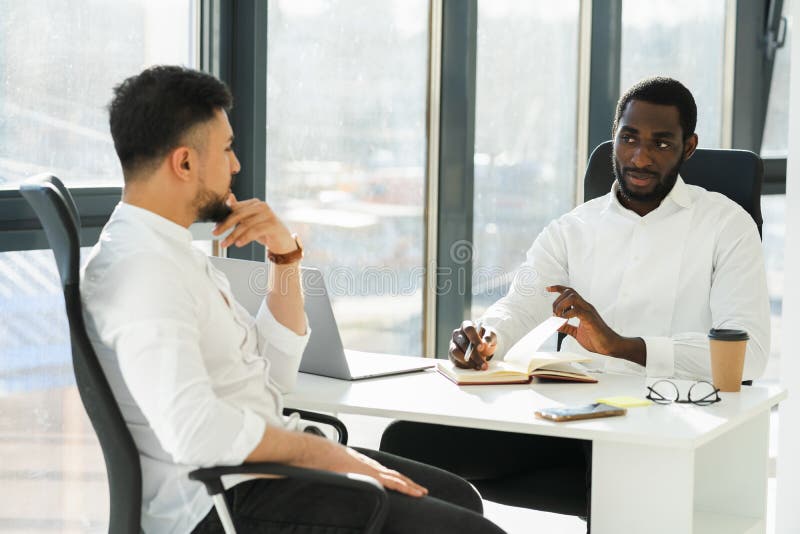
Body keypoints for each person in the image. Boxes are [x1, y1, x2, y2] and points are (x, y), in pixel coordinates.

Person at [81, 65, 505, 534]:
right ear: (184, 163)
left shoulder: (169, 249)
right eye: (226, 149)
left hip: (254, 472)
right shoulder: (144, 273)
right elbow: (196, 433)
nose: (236, 165)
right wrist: (328, 453)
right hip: (221, 501)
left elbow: (273, 377)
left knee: (459, 497)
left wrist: (285, 258)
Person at [380, 76, 770, 517]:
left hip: (667, 429)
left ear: (688, 147)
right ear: (615, 138)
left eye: (661, 144)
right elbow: (521, 303)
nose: (640, 157)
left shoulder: (725, 226)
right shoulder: (573, 228)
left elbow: (749, 355)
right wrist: (487, 337)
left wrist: (622, 346)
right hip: (572, 420)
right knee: (408, 443)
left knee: (625, 485)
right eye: (629, 139)